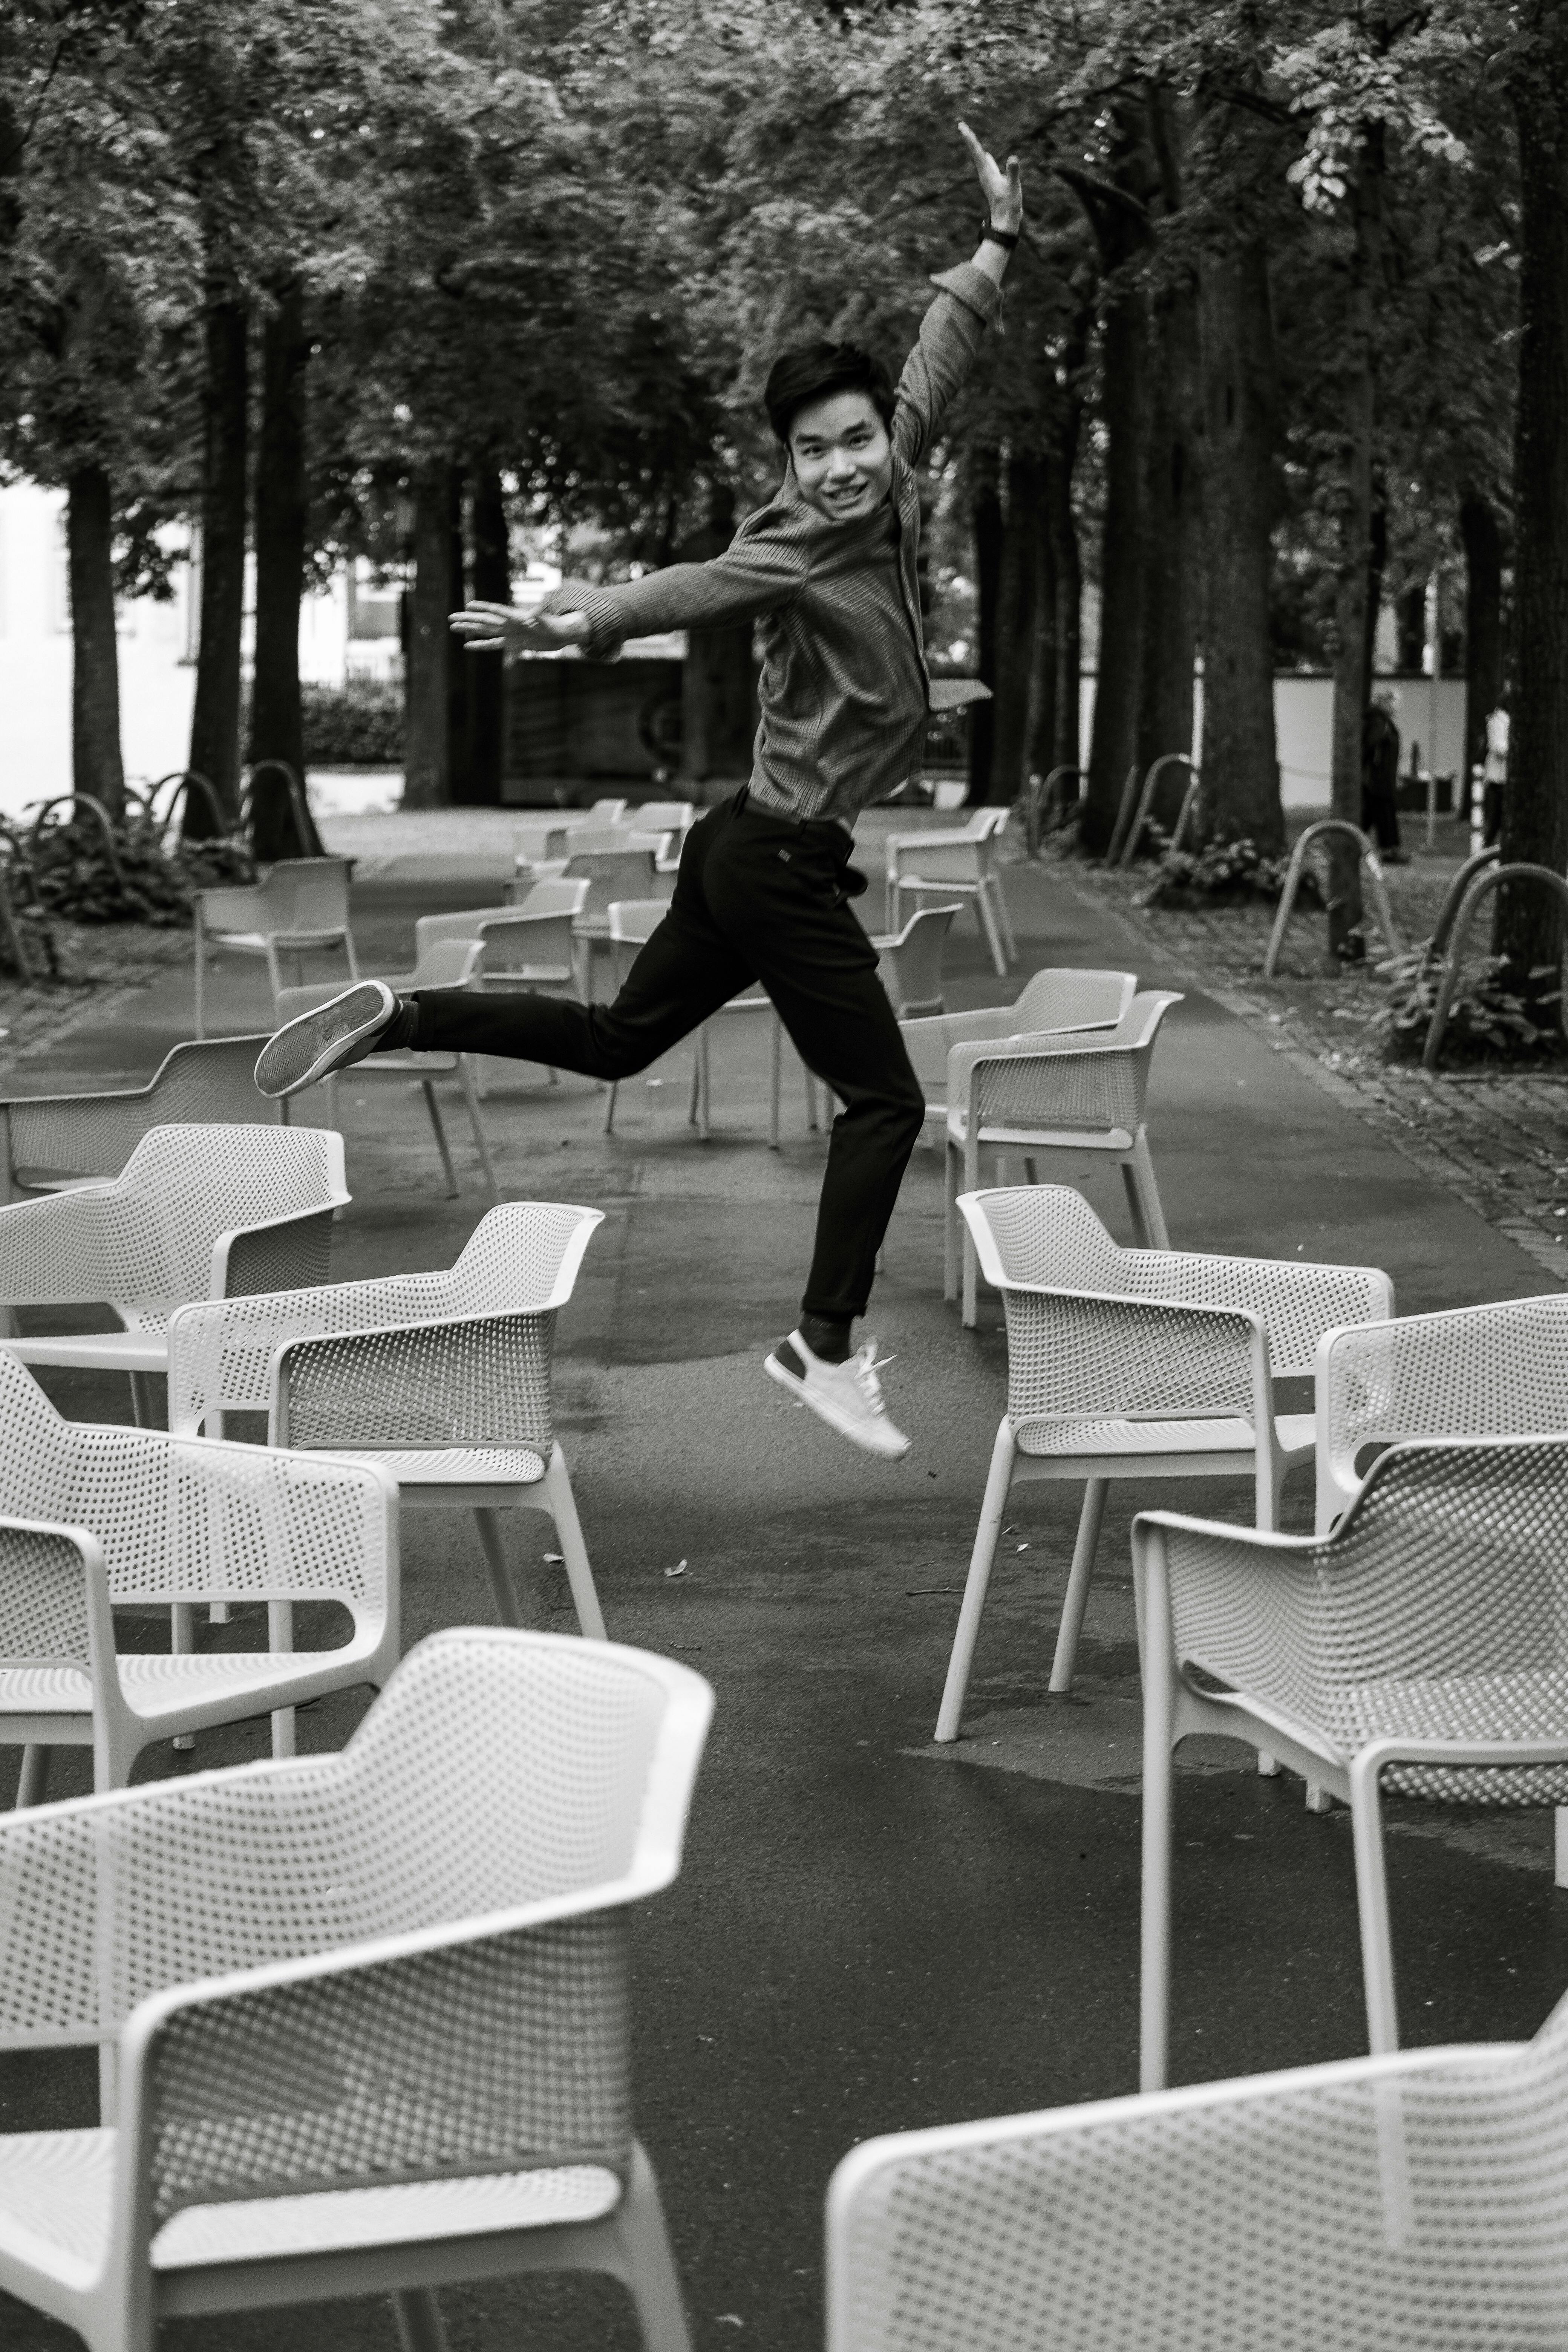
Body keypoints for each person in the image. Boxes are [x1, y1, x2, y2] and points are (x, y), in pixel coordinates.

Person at [255, 120, 1023, 1464]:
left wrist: (997, 245)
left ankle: (404, 1014)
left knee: (617, 1042)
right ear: (786, 463)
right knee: (888, 1104)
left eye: (854, 442)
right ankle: (823, 1345)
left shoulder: (886, 482)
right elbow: (690, 588)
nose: (841, 465)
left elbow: (934, 366)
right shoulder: (791, 541)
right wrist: (575, 622)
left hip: (745, 844)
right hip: (776, 855)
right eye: (813, 450)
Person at [1361, 685, 1406, 861]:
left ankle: (1388, 850)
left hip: (1380, 777)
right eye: (1395, 703)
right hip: (1377, 779)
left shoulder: (1380, 721)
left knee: (1373, 815)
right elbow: (1372, 745)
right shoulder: (1379, 723)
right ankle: (1389, 851)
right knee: (1382, 814)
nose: (1397, 707)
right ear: (1385, 702)